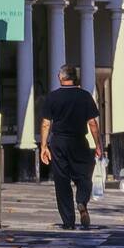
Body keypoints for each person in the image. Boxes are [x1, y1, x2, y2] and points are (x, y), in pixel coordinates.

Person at [39, 65, 103, 230]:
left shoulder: (53, 97)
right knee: (84, 175)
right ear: (75, 78)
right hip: (78, 141)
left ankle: (68, 221)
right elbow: (92, 123)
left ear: (60, 77)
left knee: (62, 180)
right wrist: (98, 145)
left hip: (58, 142)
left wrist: (44, 146)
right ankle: (81, 201)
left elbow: (46, 124)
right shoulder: (85, 96)